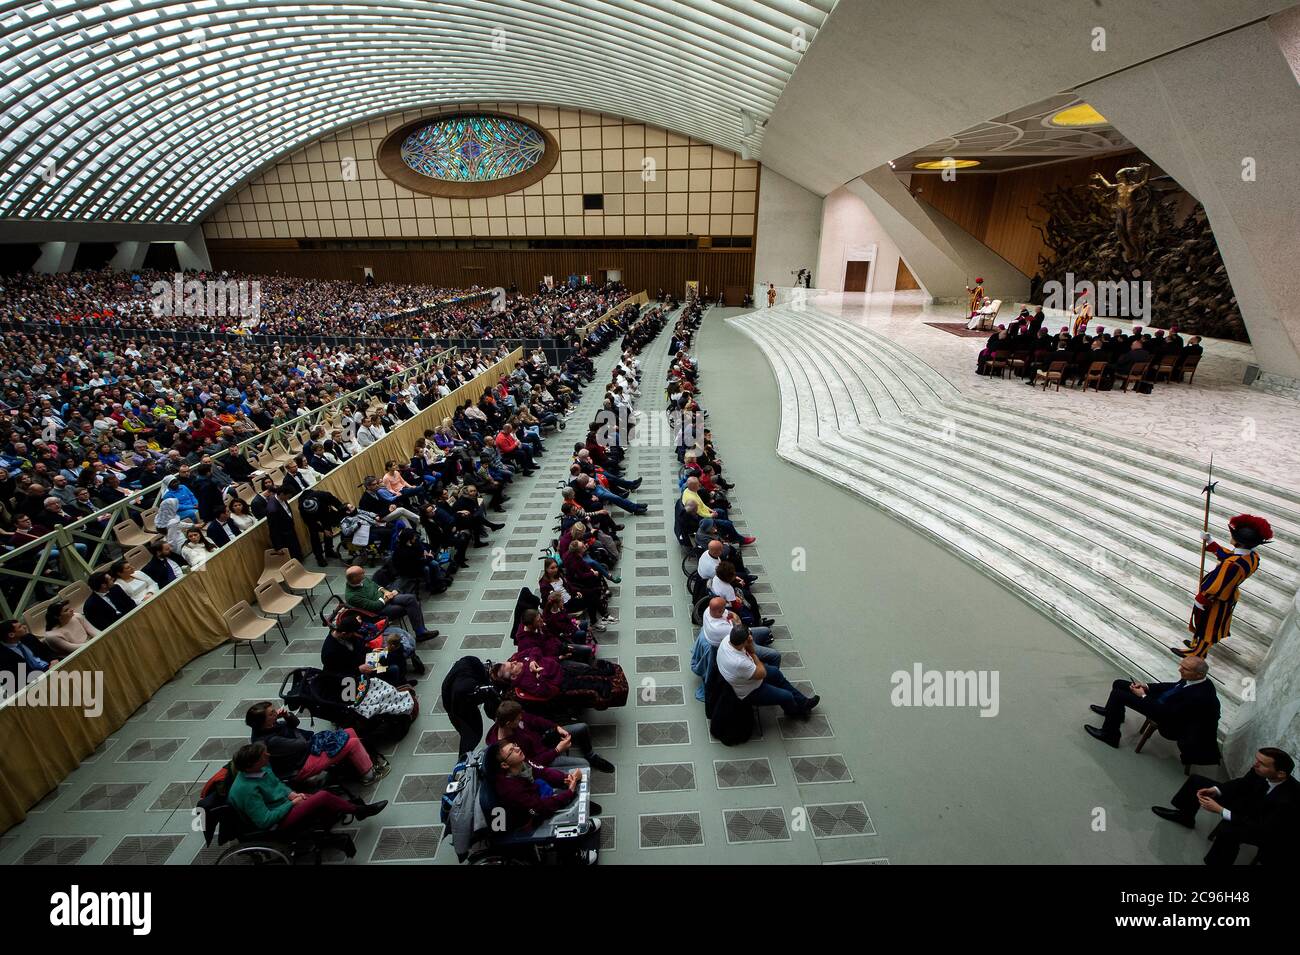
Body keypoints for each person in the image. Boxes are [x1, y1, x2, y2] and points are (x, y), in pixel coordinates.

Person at [1151, 747, 1299, 865]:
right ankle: (1185, 816)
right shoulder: (1260, 771)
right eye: (1256, 760)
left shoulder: (1287, 800)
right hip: (1250, 804)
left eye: (1262, 763)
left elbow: (1261, 827)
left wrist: (1221, 810)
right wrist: (1216, 790)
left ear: (1280, 774)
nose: (1255, 764)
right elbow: (1242, 783)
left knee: (1229, 830)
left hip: (1266, 827)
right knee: (1197, 781)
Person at [1083, 656, 1220, 764]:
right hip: (1164, 703)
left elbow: (1165, 713)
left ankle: (1110, 735)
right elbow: (1173, 686)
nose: (1180, 669)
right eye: (1181, 666)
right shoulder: (1196, 679)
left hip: (1169, 720)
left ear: (1198, 674)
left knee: (1118, 695)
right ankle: (1113, 713)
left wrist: (1142, 695)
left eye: (1185, 668)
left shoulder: (1199, 696)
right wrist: (1146, 687)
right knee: (1119, 683)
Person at [226, 743, 387, 834]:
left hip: (284, 803)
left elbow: (278, 784)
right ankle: (360, 810)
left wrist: (291, 794)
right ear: (251, 765)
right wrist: (292, 803)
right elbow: (264, 820)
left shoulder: (262, 768)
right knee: (322, 796)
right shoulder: (245, 791)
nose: (268, 756)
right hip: (275, 823)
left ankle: (356, 810)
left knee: (323, 799)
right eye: (263, 756)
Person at [484, 740, 600, 864]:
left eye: (515, 745)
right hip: (526, 818)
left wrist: (566, 778)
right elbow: (539, 808)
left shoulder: (521, 762)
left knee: (559, 793)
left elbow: (542, 771)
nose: (518, 749)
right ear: (505, 765)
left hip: (533, 799)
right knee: (559, 817)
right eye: (512, 751)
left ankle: (581, 826)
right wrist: (569, 792)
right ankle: (573, 857)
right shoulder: (510, 789)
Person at [1178, 514, 1272, 658]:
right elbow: (1229, 555)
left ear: (1238, 541)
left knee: (1207, 626)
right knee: (1207, 625)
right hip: (1228, 596)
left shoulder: (1232, 565)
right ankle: (1196, 644)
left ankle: (1198, 652)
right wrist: (1210, 541)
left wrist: (1202, 598)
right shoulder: (1252, 557)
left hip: (1217, 599)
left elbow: (1218, 585)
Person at [245, 701, 387, 786]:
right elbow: (301, 744)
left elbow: (296, 724)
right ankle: (368, 776)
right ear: (262, 722)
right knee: (352, 743)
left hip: (304, 750)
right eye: (271, 713)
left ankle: (364, 764)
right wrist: (293, 730)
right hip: (300, 765)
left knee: (349, 731)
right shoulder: (270, 741)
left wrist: (287, 716)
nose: (276, 713)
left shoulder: (270, 725)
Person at [717, 623, 819, 718]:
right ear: (743, 642)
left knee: (775, 673)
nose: (751, 638)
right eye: (749, 637)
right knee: (786, 696)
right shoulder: (739, 662)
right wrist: (753, 653)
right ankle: (793, 712)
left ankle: (803, 702)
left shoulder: (727, 640)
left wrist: (749, 647)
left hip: (747, 676)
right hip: (749, 690)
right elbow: (762, 673)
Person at [485, 700, 615, 772]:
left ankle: (591, 755)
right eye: (518, 719)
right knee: (584, 765)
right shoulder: (507, 748)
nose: (521, 718)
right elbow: (532, 764)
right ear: (509, 723)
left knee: (582, 728)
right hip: (545, 759)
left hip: (544, 741)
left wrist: (556, 727)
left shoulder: (514, 718)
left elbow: (535, 720)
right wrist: (558, 750)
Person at [343, 565, 433, 640]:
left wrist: (386, 591)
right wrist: (387, 597)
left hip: (385, 598)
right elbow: (375, 606)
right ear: (354, 578)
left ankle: (421, 632)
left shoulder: (362, 579)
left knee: (411, 599)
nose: (364, 574)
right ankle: (420, 633)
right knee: (409, 607)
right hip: (378, 612)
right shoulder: (352, 596)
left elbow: (376, 586)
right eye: (362, 574)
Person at [1, 618, 58, 684]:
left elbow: (46, 651)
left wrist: (53, 660)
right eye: (20, 627)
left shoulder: (28, 637)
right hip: (34, 680)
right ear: (11, 635)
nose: (24, 627)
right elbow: (14, 679)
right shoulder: (3, 656)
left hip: (50, 666)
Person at [266, 484, 304, 560]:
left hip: (290, 529)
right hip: (284, 535)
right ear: (282, 494)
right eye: (288, 496)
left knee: (296, 551)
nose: (289, 498)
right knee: (292, 555)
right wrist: (278, 547)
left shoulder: (282, 499)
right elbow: (273, 529)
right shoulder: (273, 509)